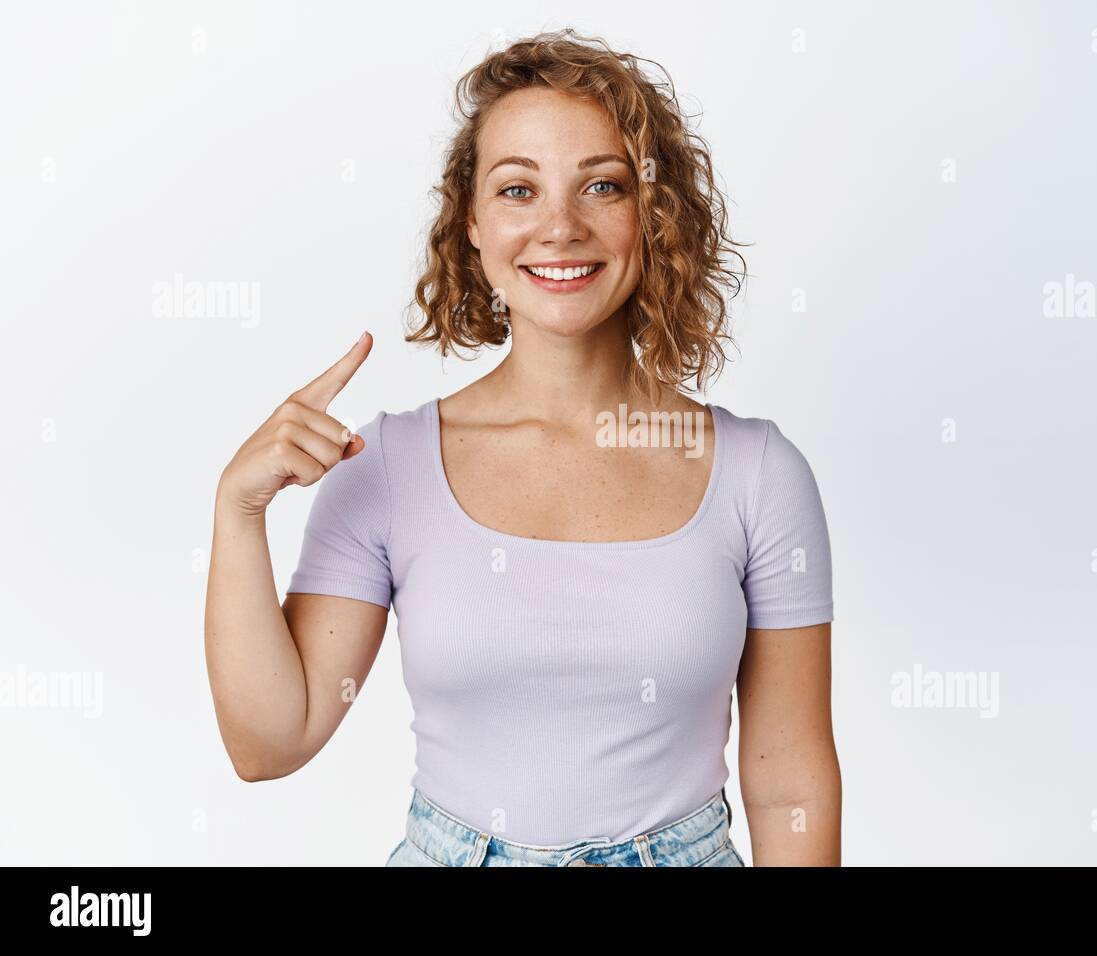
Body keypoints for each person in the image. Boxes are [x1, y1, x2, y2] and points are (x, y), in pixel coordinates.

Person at [204, 29, 839, 867]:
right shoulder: (388, 466)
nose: (560, 227)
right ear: (470, 223)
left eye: (602, 186)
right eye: (517, 190)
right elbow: (270, 744)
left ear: (652, 214)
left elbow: (789, 780)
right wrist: (237, 507)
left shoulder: (760, 476)